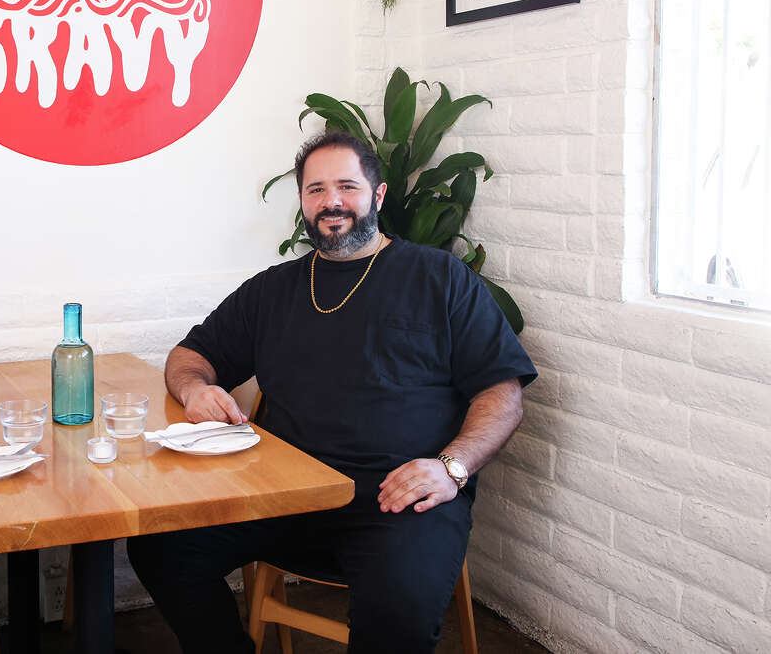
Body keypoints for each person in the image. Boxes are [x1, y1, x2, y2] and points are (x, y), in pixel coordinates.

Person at [127, 131, 536, 654]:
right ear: (302, 201)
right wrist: (193, 389)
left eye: (347, 186)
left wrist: (451, 466)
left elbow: (502, 394)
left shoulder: (440, 278)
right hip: (286, 495)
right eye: (316, 189)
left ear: (379, 195)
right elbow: (190, 355)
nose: (331, 201)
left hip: (399, 499)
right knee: (161, 547)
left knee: (399, 618)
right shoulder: (273, 289)